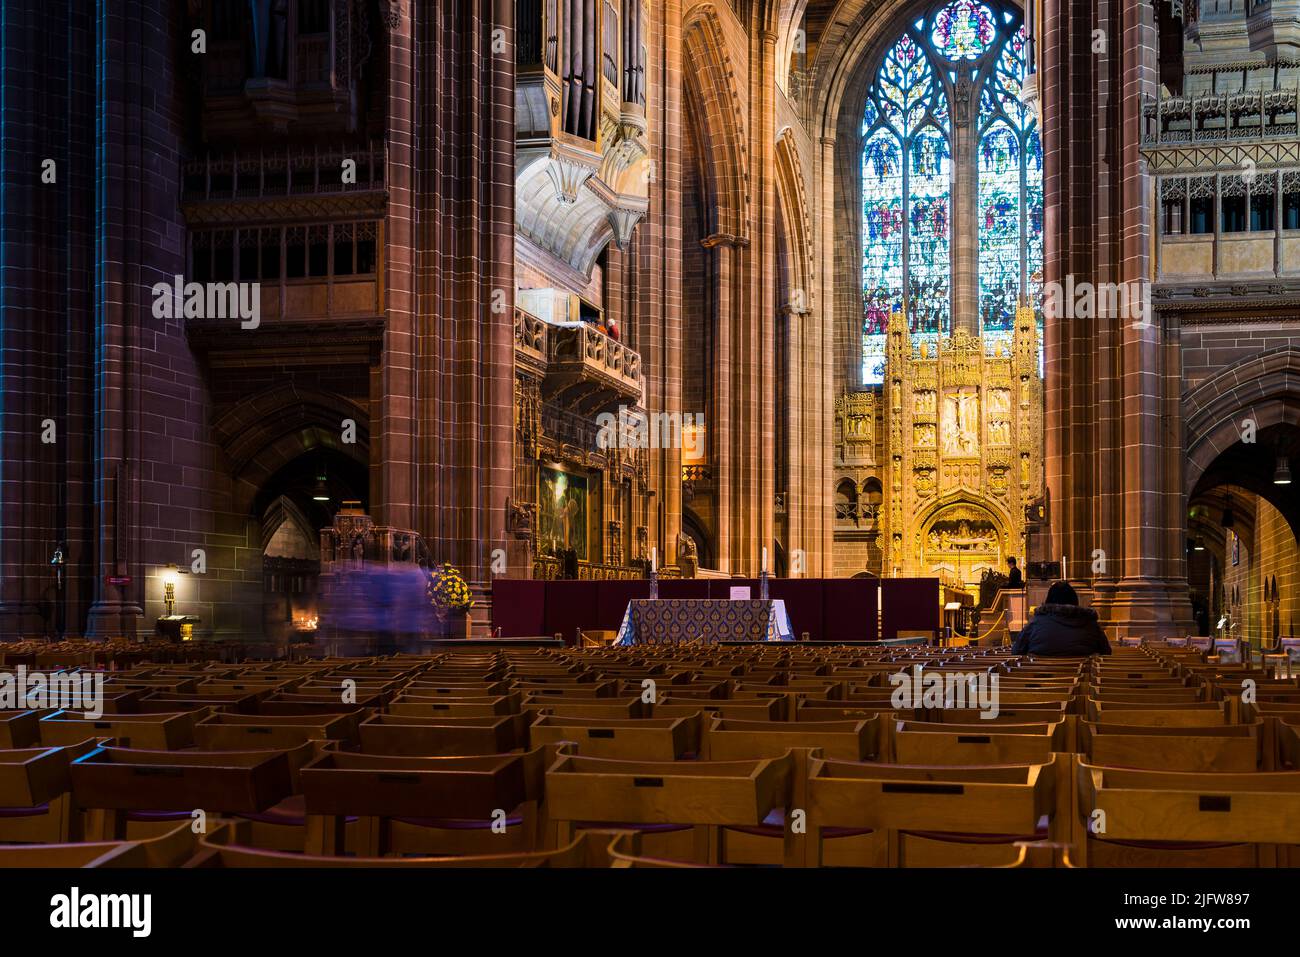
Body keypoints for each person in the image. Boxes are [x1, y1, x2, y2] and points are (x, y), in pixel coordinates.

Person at [1010, 581, 1111, 657]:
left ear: (1049, 600)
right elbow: (1106, 652)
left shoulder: (1035, 624)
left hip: (1041, 680)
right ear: (1074, 600)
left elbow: (1016, 651)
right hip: (1083, 682)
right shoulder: (1090, 624)